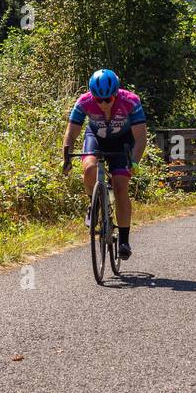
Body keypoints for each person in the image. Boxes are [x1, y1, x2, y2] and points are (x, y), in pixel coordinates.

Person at [62, 68, 147, 259]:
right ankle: (93, 205)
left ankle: (124, 240)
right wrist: (66, 157)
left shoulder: (131, 101)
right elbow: (71, 132)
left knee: (120, 186)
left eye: (107, 99)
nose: (102, 104)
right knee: (90, 167)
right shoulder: (84, 101)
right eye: (98, 99)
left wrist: (134, 161)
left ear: (116, 94)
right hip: (96, 137)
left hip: (123, 141)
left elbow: (140, 138)